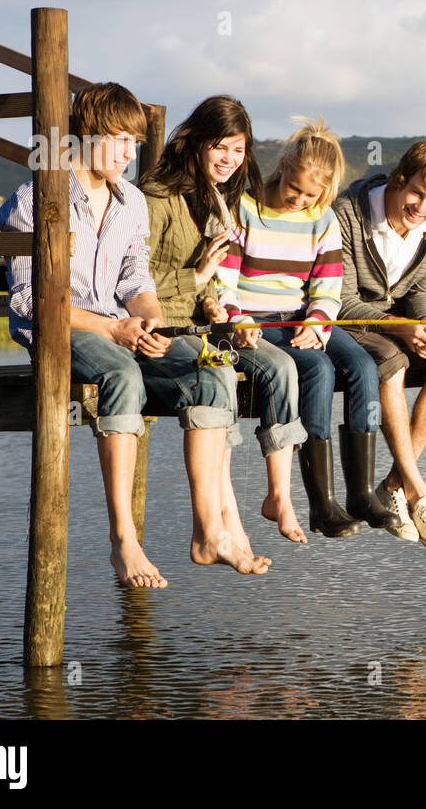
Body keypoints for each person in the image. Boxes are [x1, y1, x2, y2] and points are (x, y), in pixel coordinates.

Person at [0, 82, 270, 587]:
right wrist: (111, 328)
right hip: (63, 330)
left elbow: (137, 281)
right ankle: (124, 539)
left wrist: (149, 321)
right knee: (122, 372)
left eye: (133, 142)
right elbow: (27, 301)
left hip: (118, 328)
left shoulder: (131, 203)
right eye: (118, 140)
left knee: (209, 371)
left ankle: (209, 531)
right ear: (83, 137)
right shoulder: (38, 197)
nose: (129, 153)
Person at [138, 95, 313, 544]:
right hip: (165, 328)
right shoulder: (156, 197)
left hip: (209, 325)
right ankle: (221, 522)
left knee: (282, 366)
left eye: (238, 150)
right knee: (216, 375)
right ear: (195, 141)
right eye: (220, 147)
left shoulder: (219, 199)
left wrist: (216, 302)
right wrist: (194, 278)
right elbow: (132, 280)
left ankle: (280, 495)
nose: (230, 160)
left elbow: (213, 279)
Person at [216, 116, 396, 538]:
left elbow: (328, 289)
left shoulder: (323, 219)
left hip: (303, 319)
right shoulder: (245, 208)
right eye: (293, 189)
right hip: (256, 323)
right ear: (282, 165)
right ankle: (320, 502)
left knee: (362, 365)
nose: (298, 200)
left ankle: (362, 491)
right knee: (318, 369)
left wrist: (318, 323)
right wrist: (237, 319)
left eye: (310, 195)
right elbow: (223, 281)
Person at [333, 136, 426, 552]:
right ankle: (419, 493)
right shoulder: (347, 214)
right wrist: (402, 328)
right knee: (391, 358)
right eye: (417, 192)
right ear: (398, 178)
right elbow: (341, 302)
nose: (422, 208)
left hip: (402, 321)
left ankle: (392, 484)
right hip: (352, 321)